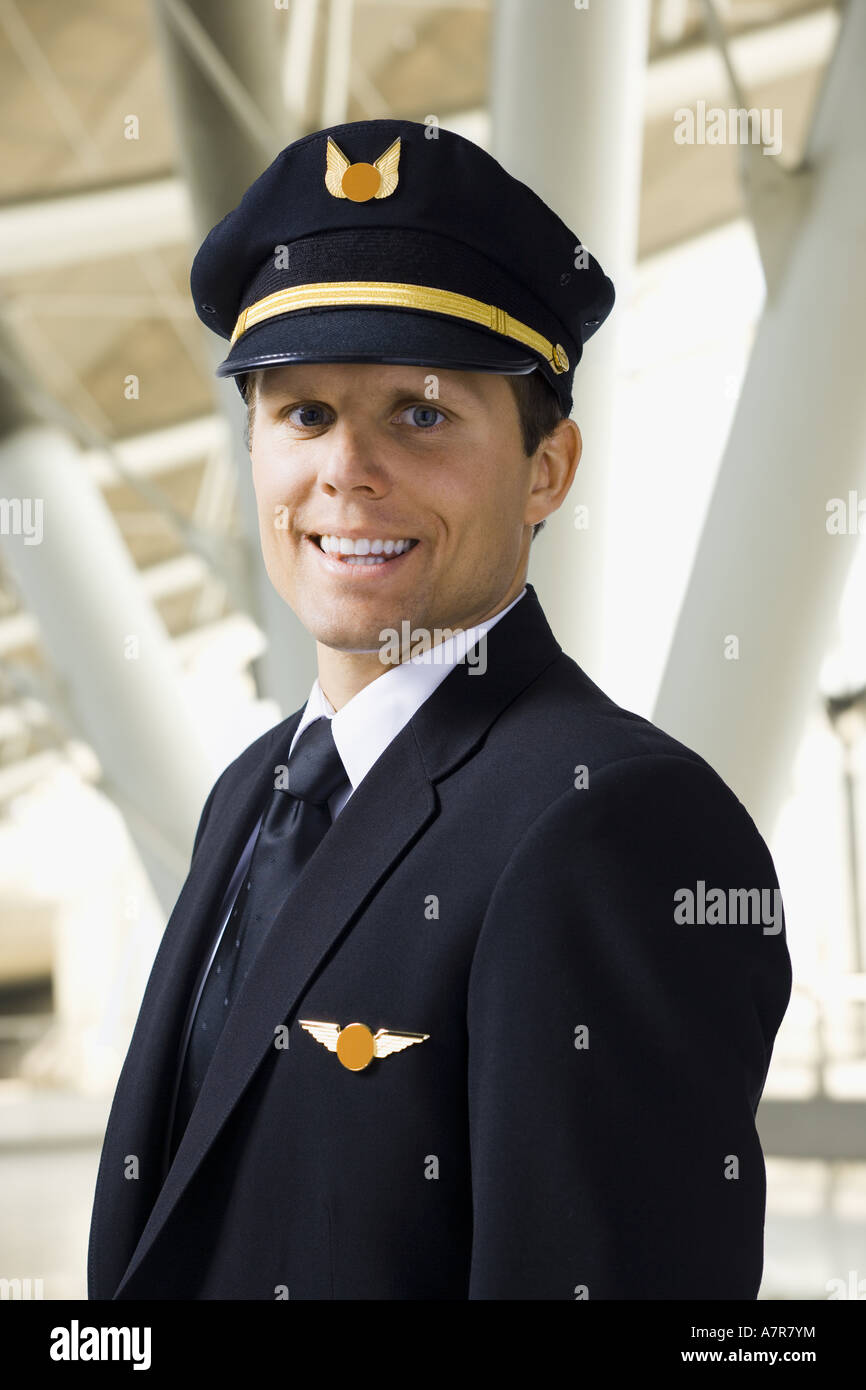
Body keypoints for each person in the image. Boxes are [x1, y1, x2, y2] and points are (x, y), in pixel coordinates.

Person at [88, 117, 792, 1300]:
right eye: (302, 413)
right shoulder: (252, 792)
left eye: (417, 414)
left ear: (545, 470)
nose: (345, 471)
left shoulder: (610, 825)